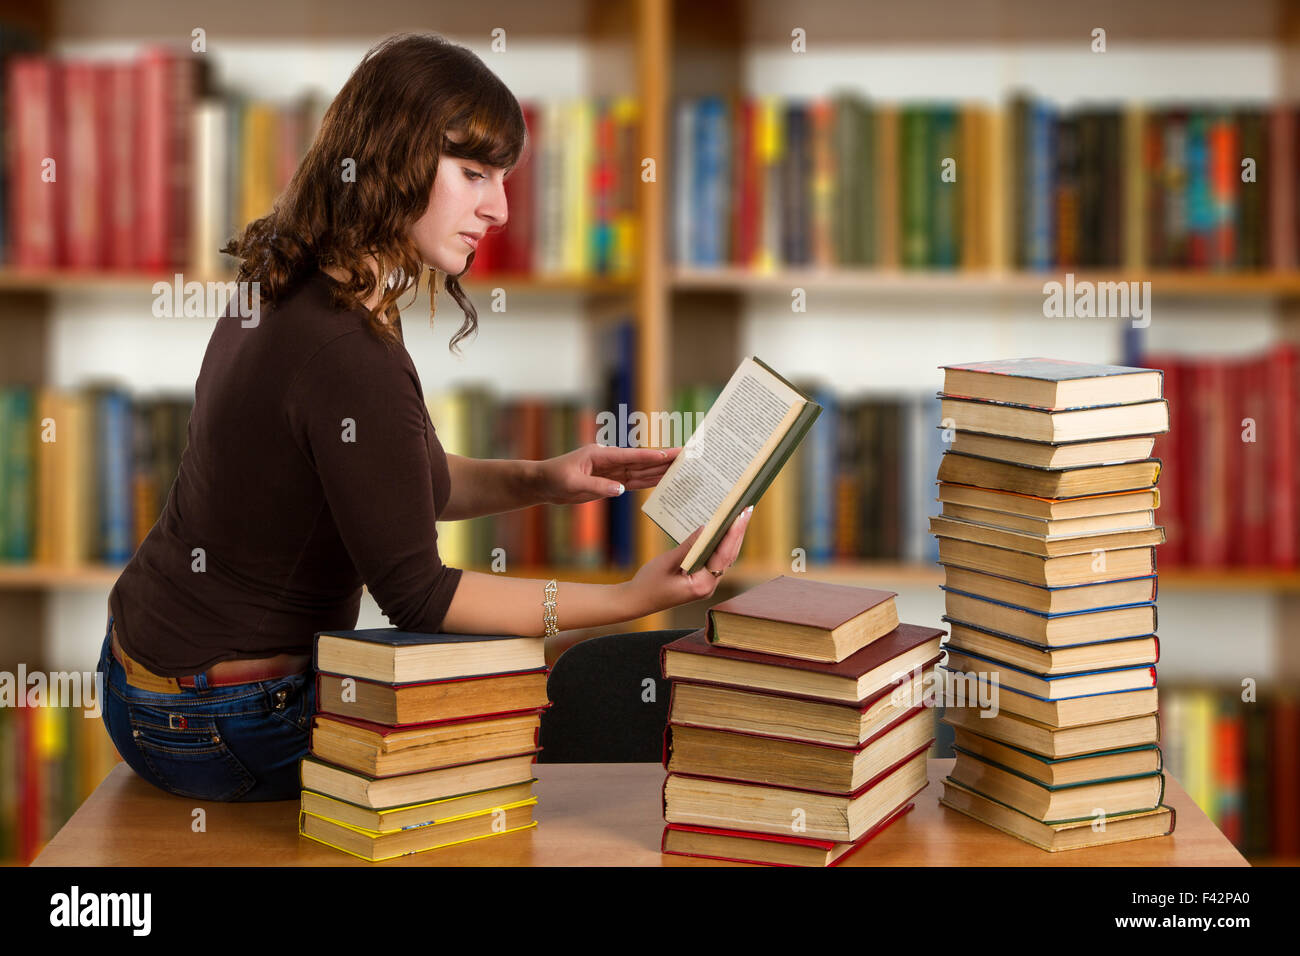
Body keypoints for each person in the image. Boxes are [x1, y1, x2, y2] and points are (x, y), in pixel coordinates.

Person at [96, 32, 751, 802]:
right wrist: (627, 600)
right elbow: (419, 595)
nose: (499, 207)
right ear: (390, 157)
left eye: (502, 178)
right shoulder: (345, 347)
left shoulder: (302, 280)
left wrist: (542, 478)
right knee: (568, 722)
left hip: (150, 680)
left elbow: (391, 483)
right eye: (473, 173)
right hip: (221, 717)